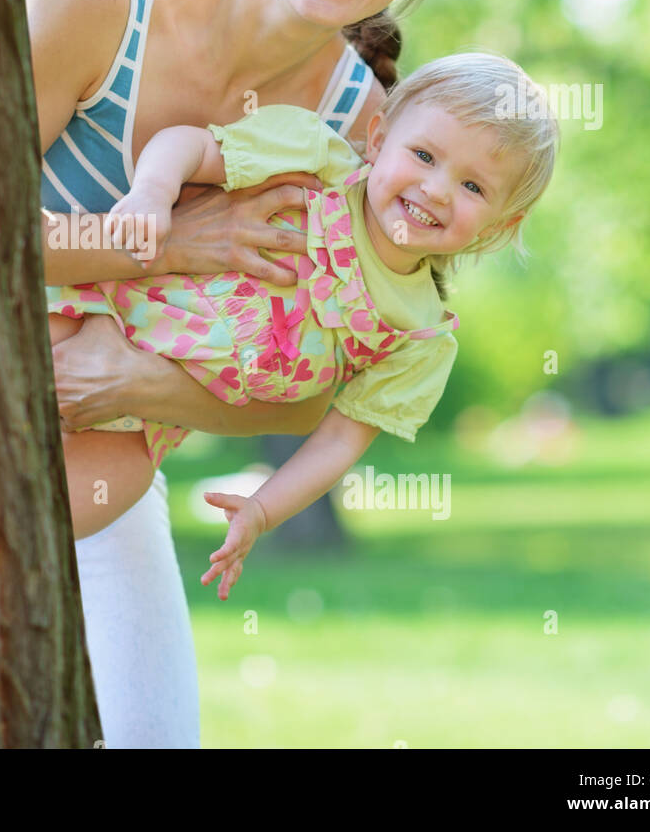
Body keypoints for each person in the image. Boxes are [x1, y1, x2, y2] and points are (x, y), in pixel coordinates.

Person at [31, 0, 456, 747]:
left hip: (98, 457)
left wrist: (139, 378)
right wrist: (168, 244)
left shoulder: (361, 134)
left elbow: (325, 388)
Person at [46, 54, 559, 598]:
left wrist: (261, 510)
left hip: (140, 422)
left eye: (473, 187)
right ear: (380, 138)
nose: (435, 189)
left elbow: (338, 441)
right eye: (425, 154)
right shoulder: (315, 162)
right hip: (97, 307)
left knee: (96, 496)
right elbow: (191, 145)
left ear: (502, 225)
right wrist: (152, 191)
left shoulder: (418, 338)